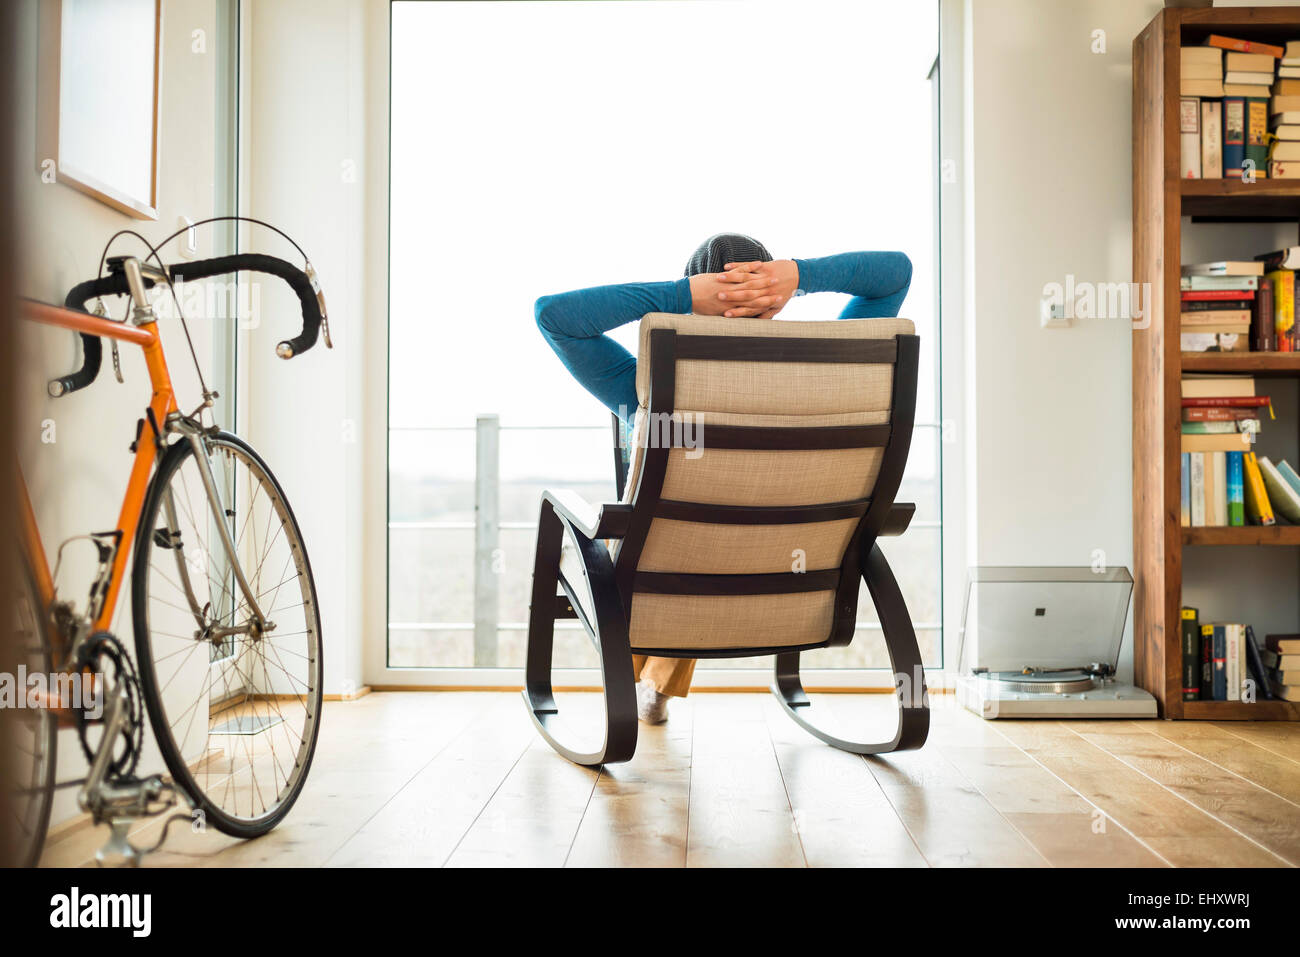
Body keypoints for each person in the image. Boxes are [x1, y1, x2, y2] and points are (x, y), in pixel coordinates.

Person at [535, 234, 912, 723]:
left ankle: (637, 685)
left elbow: (554, 316)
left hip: (663, 586)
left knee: (668, 528)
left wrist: (681, 297)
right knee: (710, 521)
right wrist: (801, 275)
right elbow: (895, 272)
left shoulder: (646, 387)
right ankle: (655, 687)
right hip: (795, 579)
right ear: (774, 300)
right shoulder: (830, 373)